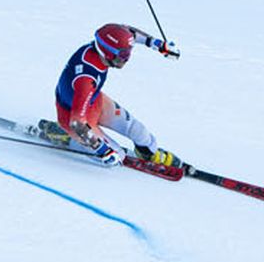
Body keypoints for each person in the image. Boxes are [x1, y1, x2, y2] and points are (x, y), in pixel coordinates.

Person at [54, 21, 180, 167]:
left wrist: (157, 44)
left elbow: (130, 33)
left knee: (140, 133)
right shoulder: (86, 80)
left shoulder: (104, 49)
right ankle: (67, 138)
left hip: (93, 103)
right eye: (123, 55)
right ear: (107, 53)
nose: (126, 59)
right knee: (116, 156)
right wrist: (102, 150)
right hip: (73, 117)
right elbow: (77, 123)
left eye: (129, 52)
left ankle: (148, 153)